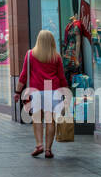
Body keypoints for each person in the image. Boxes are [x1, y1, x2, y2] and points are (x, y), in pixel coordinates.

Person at [16, 29, 69, 158]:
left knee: (37, 119)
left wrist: (17, 92)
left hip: (37, 90)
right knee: (50, 121)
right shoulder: (56, 56)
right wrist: (66, 93)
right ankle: (48, 149)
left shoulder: (30, 55)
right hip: (52, 90)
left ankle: (39, 145)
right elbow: (61, 77)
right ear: (51, 41)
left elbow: (23, 76)